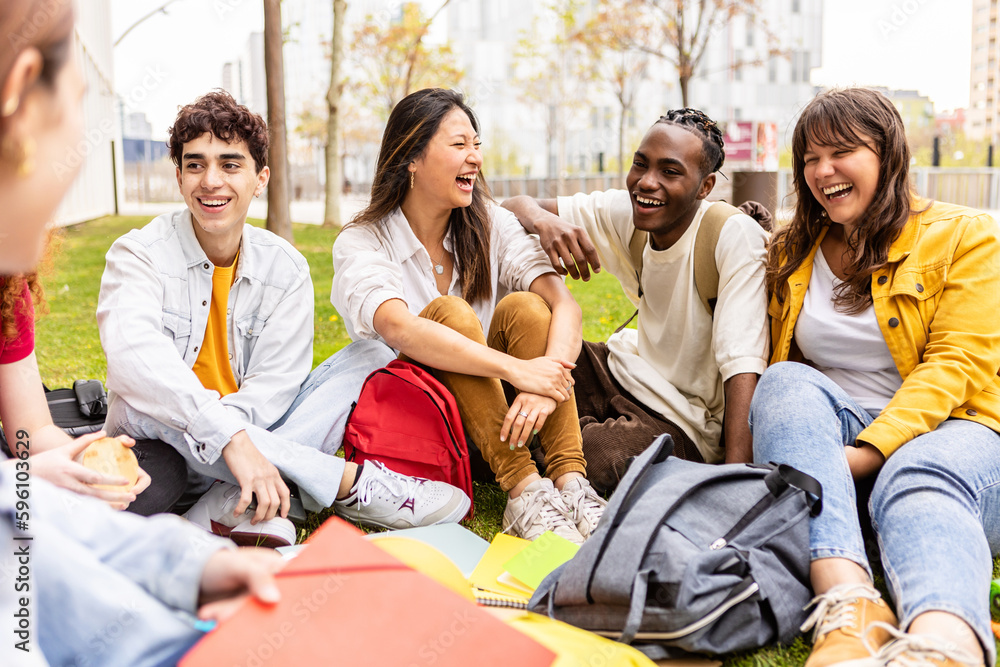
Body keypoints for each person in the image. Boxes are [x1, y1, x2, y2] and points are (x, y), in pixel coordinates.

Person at [0, 3, 284, 664]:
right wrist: (28, 479)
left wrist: (58, 463)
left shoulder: (7, 284)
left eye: (231, 164)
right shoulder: (139, 252)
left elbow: (28, 433)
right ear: (22, 90)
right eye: (79, 100)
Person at [97, 90, 469, 548]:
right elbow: (136, 362)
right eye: (195, 165)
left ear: (261, 178)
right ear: (178, 176)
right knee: (144, 398)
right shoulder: (137, 255)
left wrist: (240, 438)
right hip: (166, 445)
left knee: (371, 351)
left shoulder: (286, 269)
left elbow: (274, 391)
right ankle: (343, 483)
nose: (211, 181)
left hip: (259, 440)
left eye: (230, 165)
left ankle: (231, 501)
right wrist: (229, 439)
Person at [750, 87, 1000, 667]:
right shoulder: (794, 247)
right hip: (834, 433)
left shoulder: (966, 235)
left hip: (955, 430)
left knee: (917, 470)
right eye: (810, 158)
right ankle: (850, 605)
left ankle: (944, 646)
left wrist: (856, 458)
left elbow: (956, 366)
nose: (822, 171)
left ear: (888, 155)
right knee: (784, 380)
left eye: (841, 151)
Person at [332, 88, 606, 544]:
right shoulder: (363, 241)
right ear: (411, 158)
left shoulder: (492, 222)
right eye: (459, 145)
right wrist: (517, 369)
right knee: (449, 313)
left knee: (527, 307)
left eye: (476, 144)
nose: (475, 157)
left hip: (502, 421)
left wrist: (544, 385)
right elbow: (397, 325)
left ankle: (570, 484)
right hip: (426, 428)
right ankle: (525, 492)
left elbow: (565, 305)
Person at [502, 110, 769, 493]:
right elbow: (515, 204)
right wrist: (545, 222)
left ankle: (549, 440)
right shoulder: (631, 211)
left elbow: (743, 367)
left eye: (670, 172)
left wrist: (733, 484)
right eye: (640, 164)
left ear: (705, 185)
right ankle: (554, 436)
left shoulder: (729, 235)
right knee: (522, 365)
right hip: (627, 371)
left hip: (688, 419)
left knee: (601, 455)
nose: (647, 182)